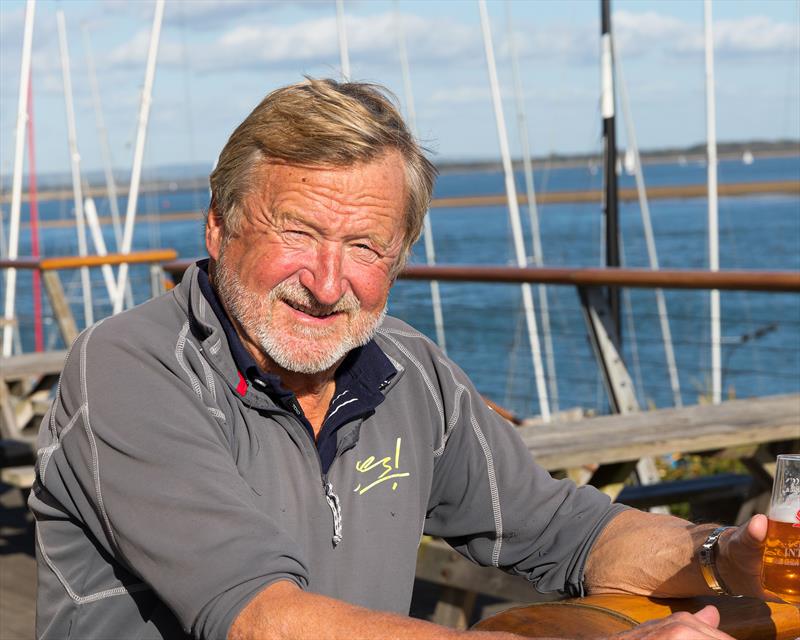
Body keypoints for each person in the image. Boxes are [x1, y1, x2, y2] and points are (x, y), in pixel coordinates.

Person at [31, 78, 770, 640]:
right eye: (298, 232)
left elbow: (561, 529)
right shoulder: (130, 367)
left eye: (364, 246)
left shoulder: (406, 370)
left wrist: (719, 556)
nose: (327, 285)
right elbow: (263, 619)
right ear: (219, 229)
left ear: (401, 257)